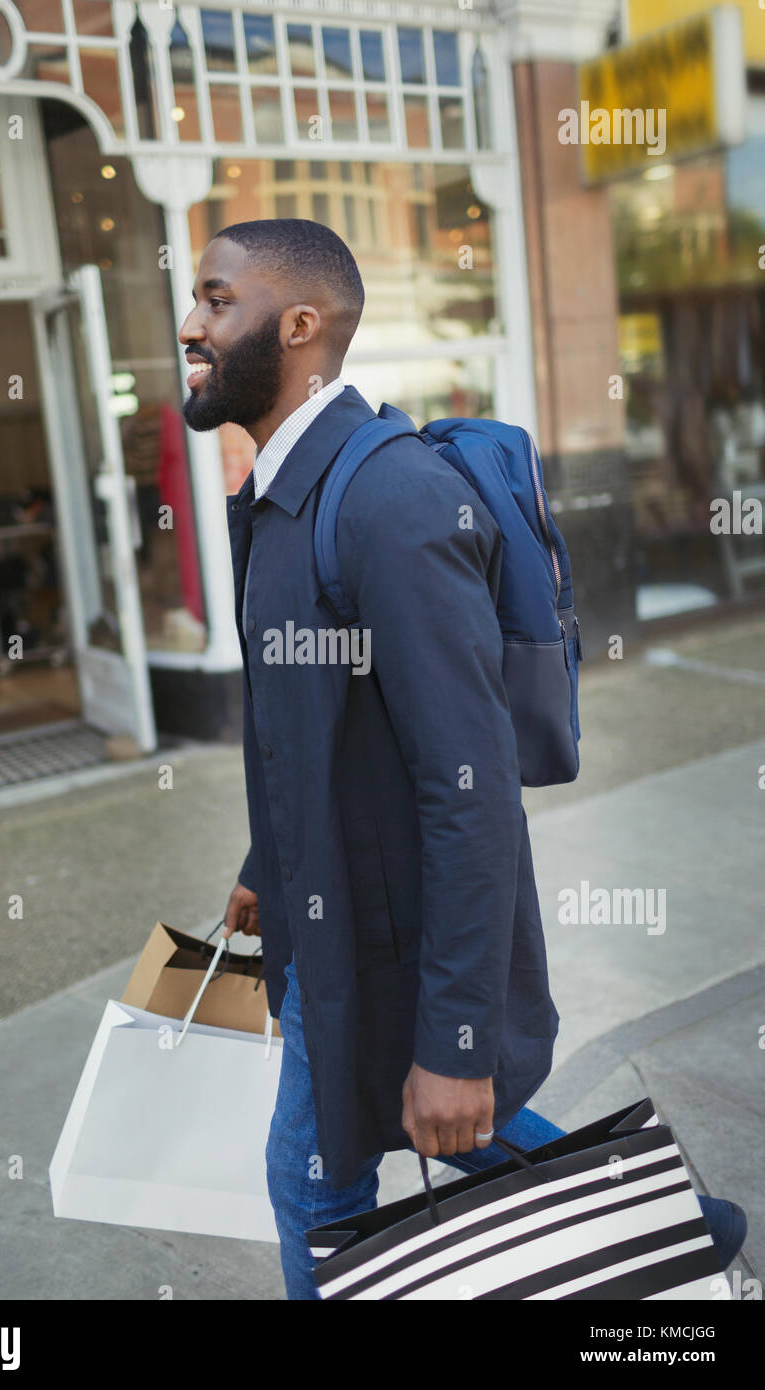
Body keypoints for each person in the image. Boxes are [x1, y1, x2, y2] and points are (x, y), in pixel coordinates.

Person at [178, 218, 747, 1300]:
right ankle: (670, 1220)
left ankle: (656, 1220)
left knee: (315, 1182)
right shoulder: (280, 495)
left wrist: (456, 1037)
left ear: (297, 326)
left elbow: (467, 789)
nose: (189, 324)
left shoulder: (384, 500)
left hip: (384, 943)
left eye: (214, 299)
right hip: (329, 915)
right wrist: (267, 855)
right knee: (371, 1141)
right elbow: (308, 725)